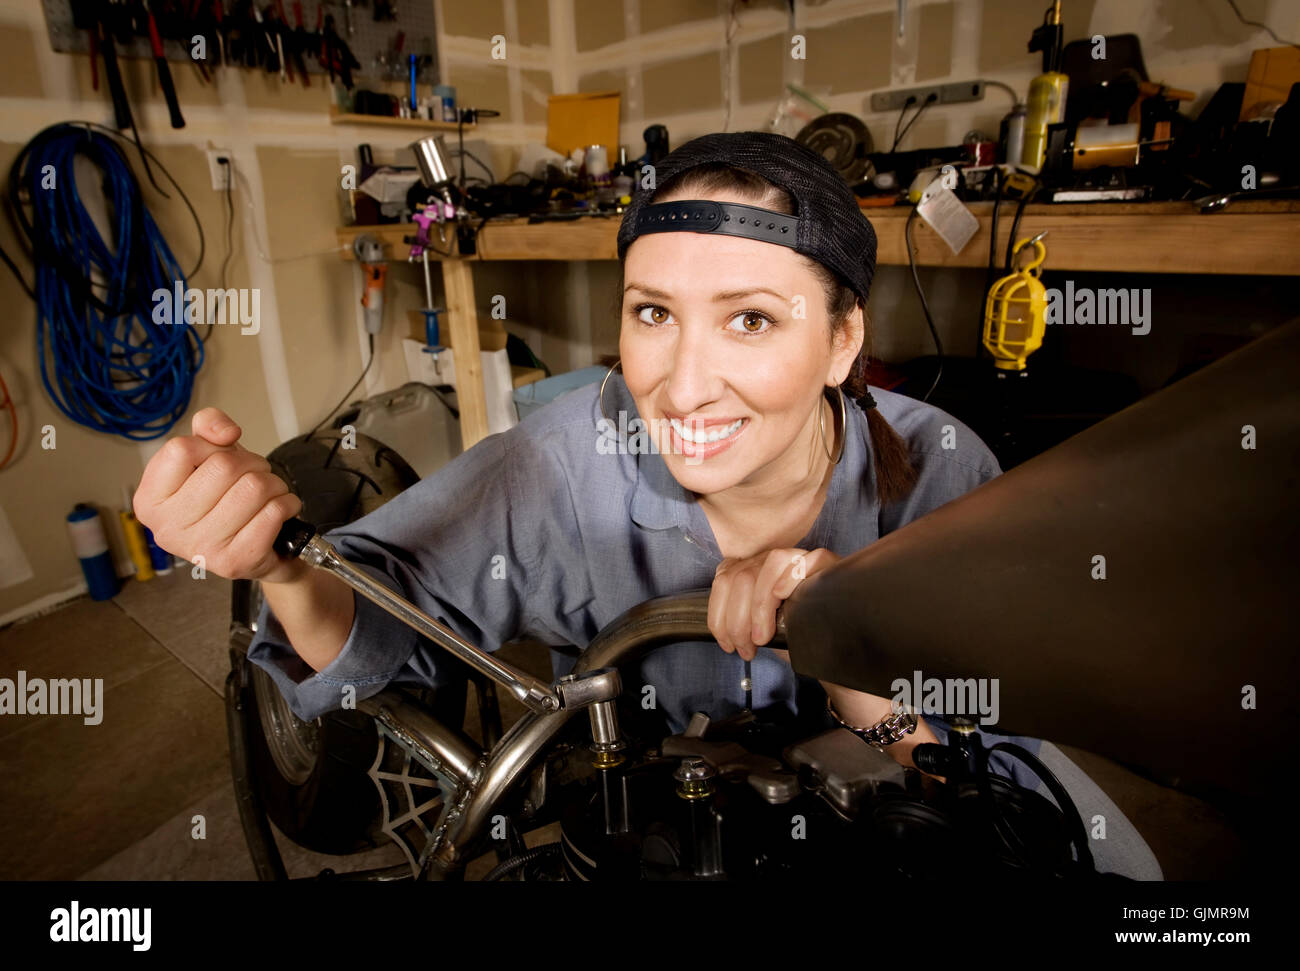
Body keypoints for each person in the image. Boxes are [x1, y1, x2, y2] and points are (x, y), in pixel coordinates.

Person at [133, 130, 1160, 879]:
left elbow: (989, 764)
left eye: (750, 318)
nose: (683, 383)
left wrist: (859, 643)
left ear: (843, 341)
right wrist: (276, 562)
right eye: (652, 313)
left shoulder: (943, 467)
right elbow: (378, 629)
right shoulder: (557, 465)